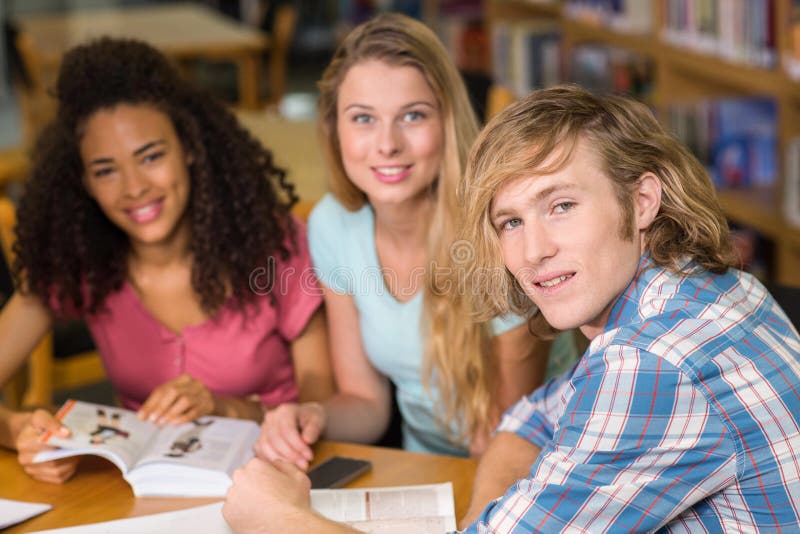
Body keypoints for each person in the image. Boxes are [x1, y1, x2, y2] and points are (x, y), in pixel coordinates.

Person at [222, 84, 800, 532]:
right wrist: (490, 521)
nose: (534, 251)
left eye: (562, 205)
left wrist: (279, 519)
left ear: (643, 200)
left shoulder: (652, 363)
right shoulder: (707, 288)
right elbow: (530, 421)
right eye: (511, 222)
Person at [0, 37, 334, 482]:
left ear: (190, 147)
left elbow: (323, 405)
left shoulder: (271, 244)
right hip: (142, 499)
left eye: (152, 156)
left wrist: (227, 408)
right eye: (106, 170)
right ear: (84, 182)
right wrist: (17, 429)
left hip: (283, 480)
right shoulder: (78, 257)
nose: (134, 187)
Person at [255, 13, 574, 465]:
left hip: (535, 468)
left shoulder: (500, 228)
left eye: (412, 116)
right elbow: (367, 404)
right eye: (363, 118)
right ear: (333, 129)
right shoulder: (333, 224)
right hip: (421, 470)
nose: (387, 144)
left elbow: (506, 440)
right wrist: (311, 415)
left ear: (447, 122)